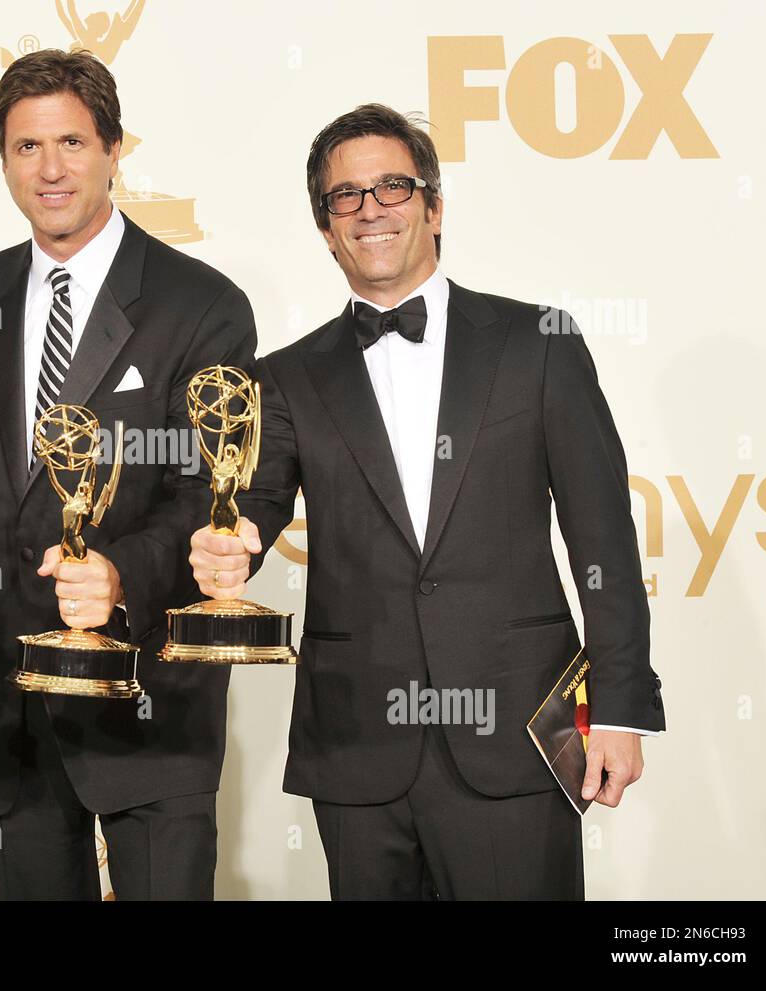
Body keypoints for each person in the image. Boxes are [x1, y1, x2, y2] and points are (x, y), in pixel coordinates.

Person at [188, 104, 666, 900]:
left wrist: (619, 706)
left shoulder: (538, 340)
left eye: (393, 187)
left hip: (516, 731)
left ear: (434, 207)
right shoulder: (288, 374)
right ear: (325, 226)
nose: (371, 207)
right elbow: (256, 501)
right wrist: (232, 541)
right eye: (347, 196)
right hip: (357, 744)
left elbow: (604, 541)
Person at [0, 49, 256, 900]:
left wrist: (119, 575)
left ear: (115, 148)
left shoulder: (200, 302)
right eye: (27, 148)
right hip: (11, 720)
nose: (52, 168)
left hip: (152, 709)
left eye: (72, 142)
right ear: (2, 160)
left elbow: (209, 493)